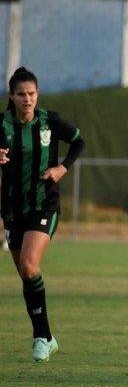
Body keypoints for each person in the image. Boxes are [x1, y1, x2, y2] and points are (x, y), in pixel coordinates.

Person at [0, 67, 85, 362]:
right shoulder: (2, 125)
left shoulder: (50, 121)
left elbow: (78, 141)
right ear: (11, 96)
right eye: (21, 94)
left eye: (32, 93)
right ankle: (47, 337)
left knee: (29, 264)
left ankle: (39, 338)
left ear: (38, 94)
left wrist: (62, 167)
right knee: (27, 274)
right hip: (12, 210)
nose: (27, 99)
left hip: (44, 205)